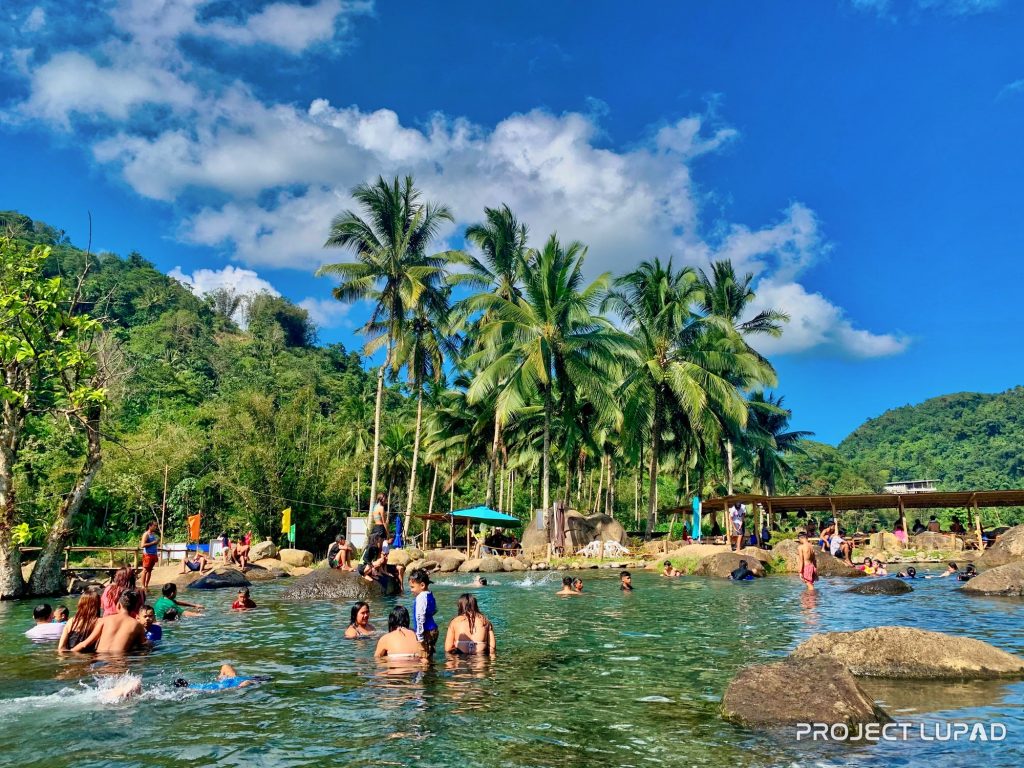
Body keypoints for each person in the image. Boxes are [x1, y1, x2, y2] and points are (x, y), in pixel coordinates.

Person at [71, 591, 148, 653]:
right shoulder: (138, 626)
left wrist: (70, 654)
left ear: (118, 605)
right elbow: (143, 647)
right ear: (134, 608)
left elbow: (85, 644)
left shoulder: (105, 620)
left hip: (100, 663)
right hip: (119, 664)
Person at [409, 568, 439, 657]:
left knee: (423, 657)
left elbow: (420, 617)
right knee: (429, 655)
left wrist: (420, 636)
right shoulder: (429, 594)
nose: (411, 590)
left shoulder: (420, 597)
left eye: (412, 587)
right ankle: (431, 670)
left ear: (422, 585)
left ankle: (426, 671)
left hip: (426, 632)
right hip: (433, 629)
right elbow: (435, 610)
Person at [174, 664, 266, 690]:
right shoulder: (194, 687)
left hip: (230, 683)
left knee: (245, 683)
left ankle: (253, 682)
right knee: (225, 666)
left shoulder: (194, 688)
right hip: (231, 681)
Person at [139, 521, 161, 591]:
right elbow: (142, 545)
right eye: (154, 526)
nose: (155, 527)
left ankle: (146, 585)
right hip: (147, 555)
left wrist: (156, 542)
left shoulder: (153, 534)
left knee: (150, 570)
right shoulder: (146, 534)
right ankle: (142, 586)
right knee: (145, 570)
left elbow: (154, 543)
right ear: (150, 526)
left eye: (156, 526)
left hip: (153, 554)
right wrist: (153, 543)